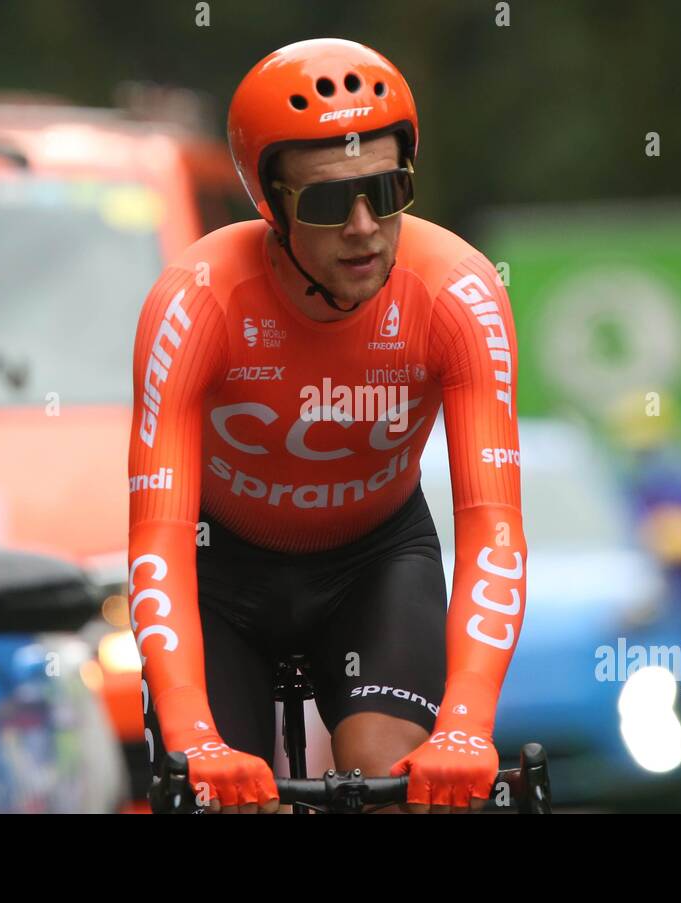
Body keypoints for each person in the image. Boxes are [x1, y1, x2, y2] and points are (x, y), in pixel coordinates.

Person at [126, 38, 527, 813]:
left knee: (396, 779)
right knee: (221, 794)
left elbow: (494, 526)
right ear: (271, 205)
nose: (363, 225)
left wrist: (467, 726)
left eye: (387, 188)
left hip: (373, 563)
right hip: (220, 569)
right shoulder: (195, 301)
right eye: (324, 201)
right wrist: (194, 737)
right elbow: (157, 540)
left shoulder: (459, 293)